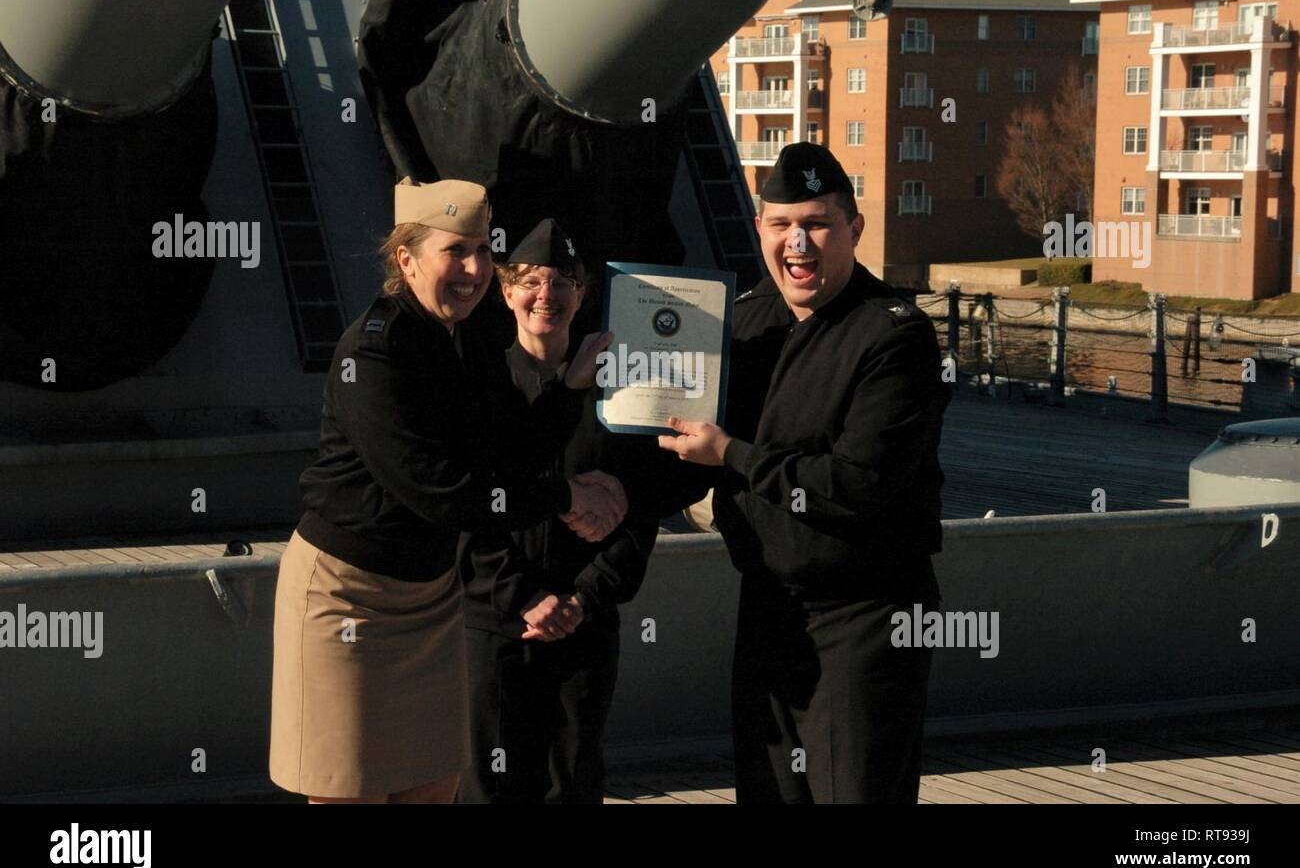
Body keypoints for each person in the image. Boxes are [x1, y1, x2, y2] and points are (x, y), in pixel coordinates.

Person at [269, 178, 627, 805]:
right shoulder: (374, 352)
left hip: (431, 598)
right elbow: (441, 489)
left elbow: (504, 450)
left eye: (484, 252)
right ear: (405, 259)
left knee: (432, 786)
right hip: (347, 597)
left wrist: (567, 392)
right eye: (454, 252)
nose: (473, 269)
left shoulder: (469, 342)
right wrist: (566, 498)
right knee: (346, 792)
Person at [658, 143, 950, 804]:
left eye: (817, 223)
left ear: (854, 229)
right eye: (782, 225)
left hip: (865, 616)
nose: (799, 244)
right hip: (769, 607)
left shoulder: (893, 337)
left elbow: (859, 486)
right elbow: (677, 444)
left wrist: (731, 453)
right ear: (760, 230)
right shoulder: (748, 322)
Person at [457, 218, 699, 804]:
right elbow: (466, 507)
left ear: (585, 295)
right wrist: (521, 596)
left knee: (574, 781)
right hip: (497, 624)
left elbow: (635, 508)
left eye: (564, 280)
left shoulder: (619, 396)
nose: (549, 295)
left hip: (583, 622)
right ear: (506, 291)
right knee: (492, 786)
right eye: (532, 280)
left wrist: (584, 597)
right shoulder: (477, 386)